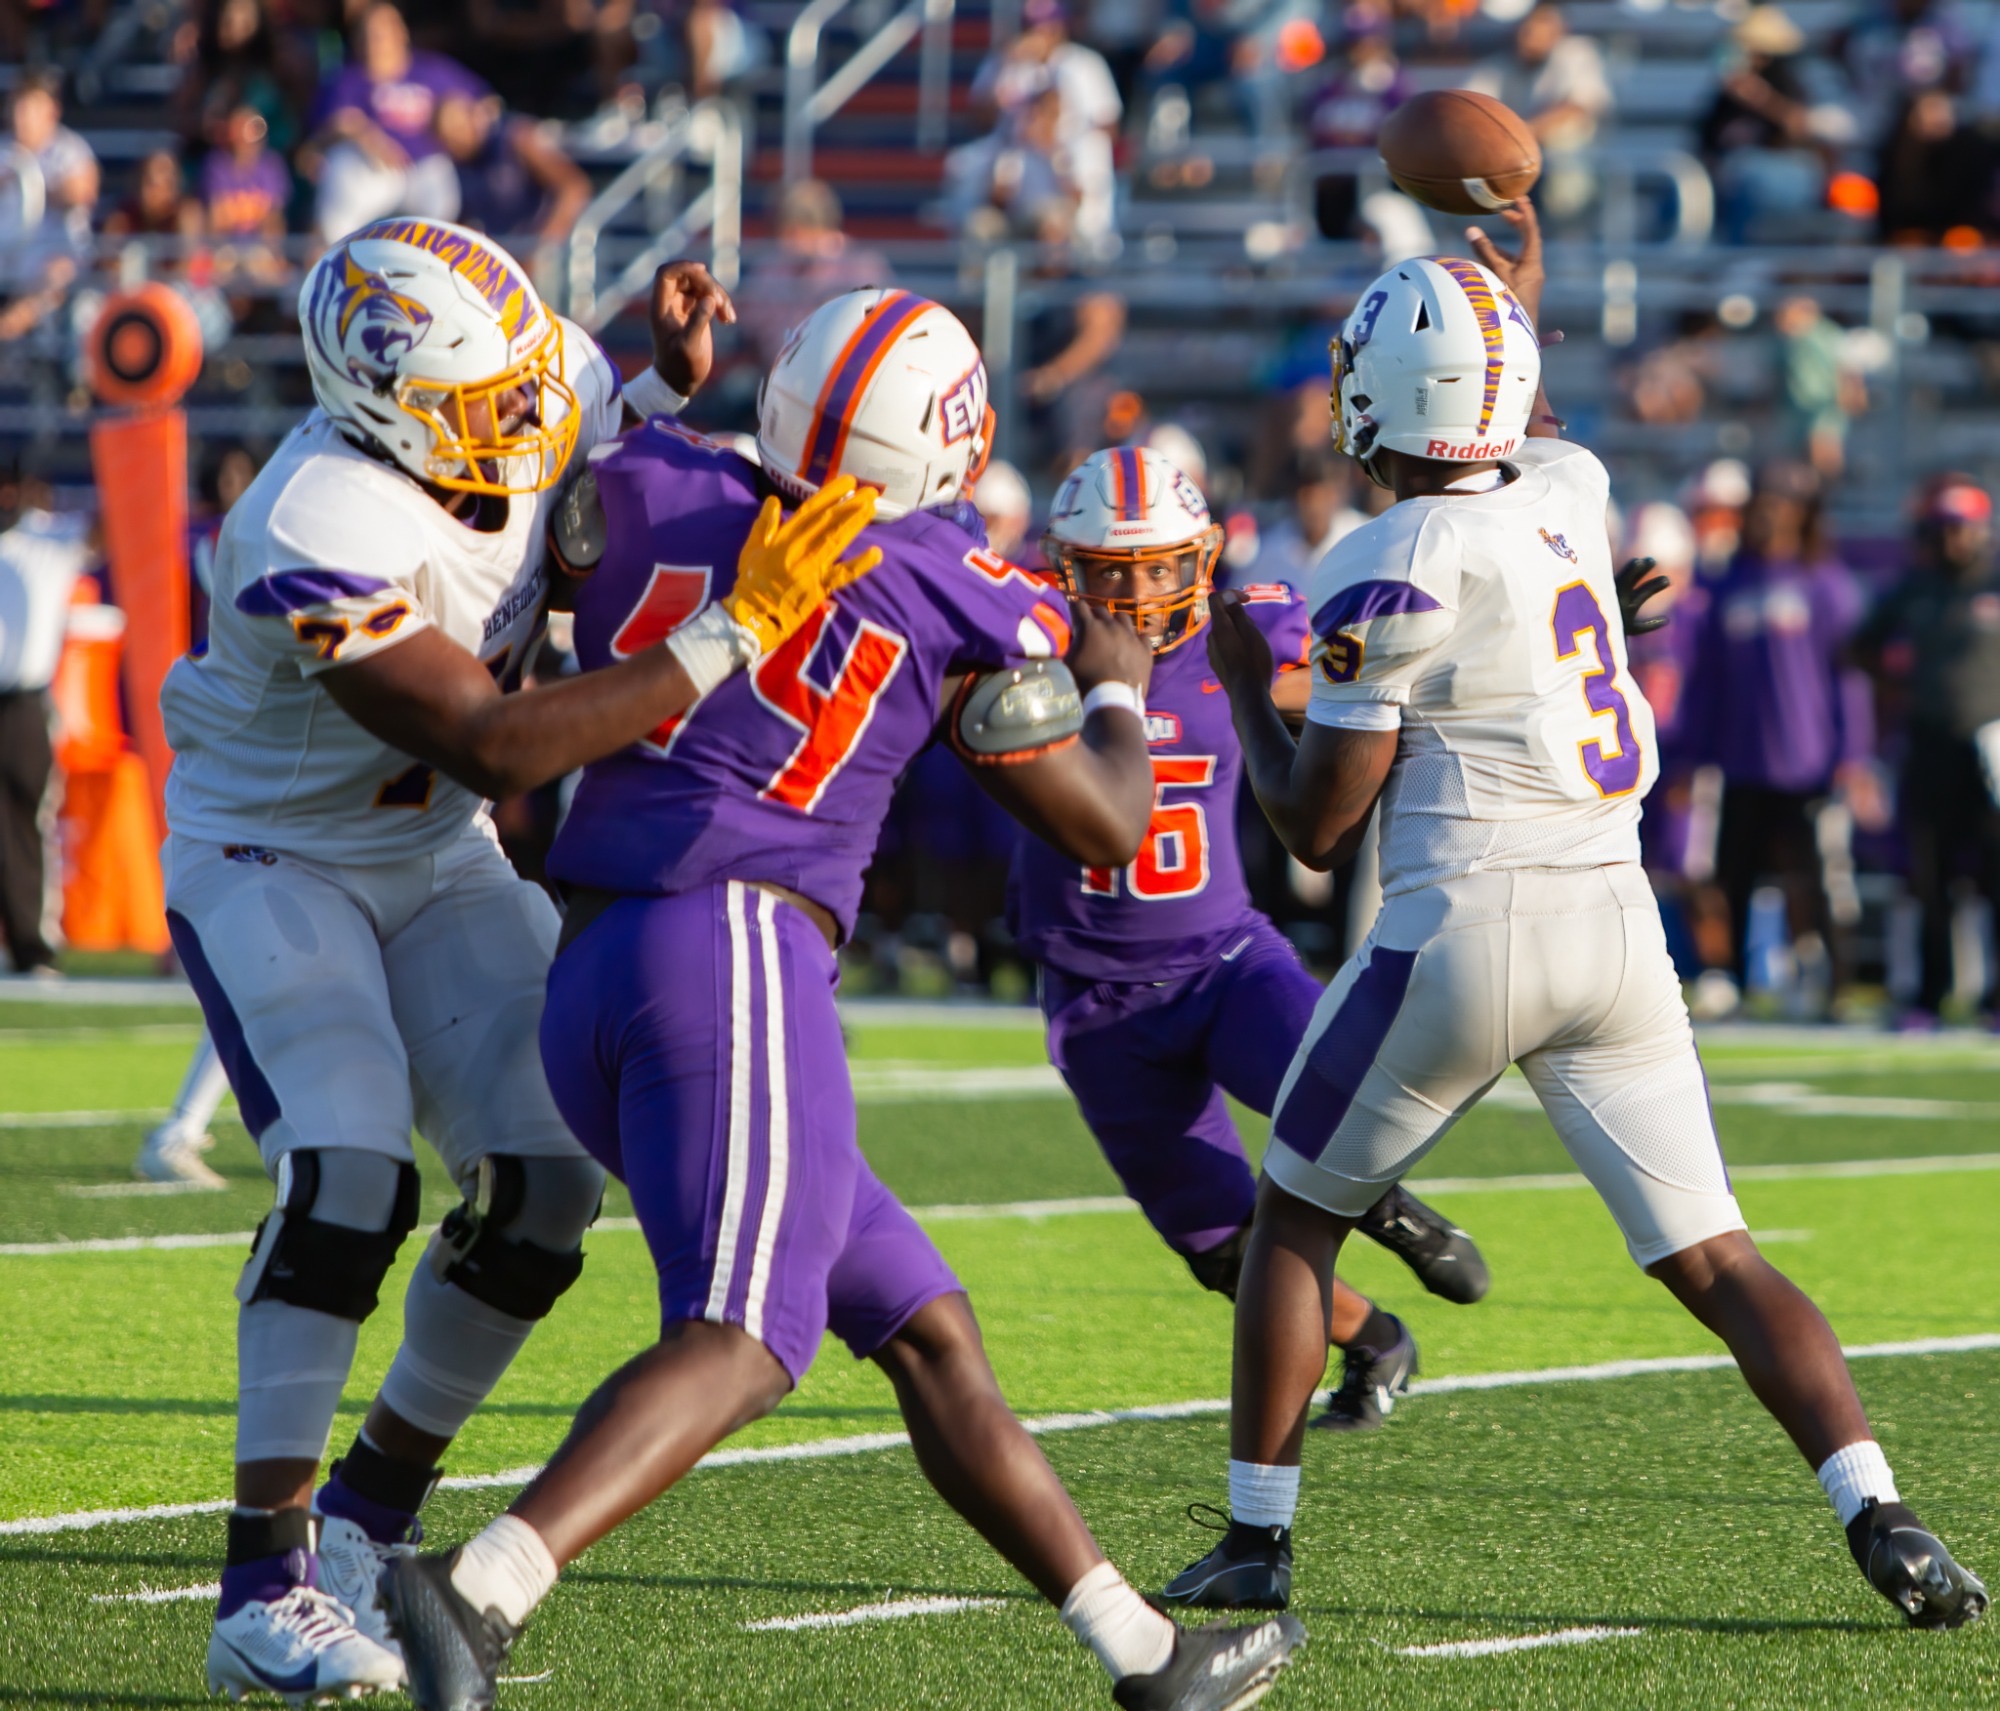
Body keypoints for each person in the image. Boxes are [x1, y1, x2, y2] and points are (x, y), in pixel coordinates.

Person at [379, 287, 1307, 1711]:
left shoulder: (647, 480)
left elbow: (566, 527)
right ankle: (483, 1580)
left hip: (603, 960)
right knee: (747, 1334)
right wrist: (1117, 685)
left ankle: (1141, 1646)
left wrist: (646, 396)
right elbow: (1109, 825)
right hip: (734, 946)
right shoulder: (951, 583)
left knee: (926, 1323)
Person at [1167, 204, 1988, 1634]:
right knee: (1718, 1253)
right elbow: (1518, 426)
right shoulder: (1570, 481)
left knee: (1294, 1217)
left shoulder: (1385, 549)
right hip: (1619, 926)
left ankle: (1257, 1539)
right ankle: (1885, 1511)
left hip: (1465, 931)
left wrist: (1246, 675)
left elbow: (1313, 820)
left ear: (1377, 395)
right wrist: (1513, 266)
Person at [161, 221, 881, 1702]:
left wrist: (672, 390)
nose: (524, 416)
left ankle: (365, 1517)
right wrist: (741, 627)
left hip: (428, 855)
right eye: (480, 401)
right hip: (273, 853)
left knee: (552, 1182)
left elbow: (593, 485)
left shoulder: (536, 379)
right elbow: (493, 739)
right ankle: (259, 1581)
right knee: (349, 1174)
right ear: (379, 404)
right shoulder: (317, 517)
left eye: (523, 381)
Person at [1014, 445, 1490, 1453]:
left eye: (1153, 568)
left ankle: (1394, 1215)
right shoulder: (1015, 643)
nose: (1132, 593)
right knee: (1217, 1245)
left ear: (1201, 560)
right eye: (1105, 568)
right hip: (1093, 1000)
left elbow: (1386, 665)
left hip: (1222, 959)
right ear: (1062, 567)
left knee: (1325, 1107)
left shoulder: (1247, 632)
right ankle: (1376, 1338)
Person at [1682, 461, 1880, 1007]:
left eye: (1781, 506)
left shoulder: (1826, 584)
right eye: (1761, 506)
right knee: (1733, 875)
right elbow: (1706, 680)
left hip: (1809, 761)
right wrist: (1694, 753)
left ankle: (1826, 979)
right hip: (1740, 761)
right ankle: (1730, 979)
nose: (1769, 516)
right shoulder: (1728, 584)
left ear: (1802, 515)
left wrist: (1853, 754)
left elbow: (1849, 678)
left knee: (1814, 878)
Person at [1856, 477, 2000, 1024]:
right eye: (1943, 530)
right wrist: (1897, 687)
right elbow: (1862, 645)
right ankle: (1930, 992)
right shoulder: (1915, 588)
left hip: (1991, 752)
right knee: (1931, 876)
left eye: (1961, 529)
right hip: (1930, 744)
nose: (1953, 542)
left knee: (1995, 875)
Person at [0, 467, 91, 977]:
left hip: (22, 702)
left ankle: (31, 945)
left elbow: (107, 529)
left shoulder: (48, 539)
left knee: (27, 821)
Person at [309, 3, 487, 241]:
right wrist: (362, 133)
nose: (376, 40)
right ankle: (331, 257)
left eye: (383, 31)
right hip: (372, 169)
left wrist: (458, 125)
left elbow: (486, 103)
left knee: (440, 197)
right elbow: (322, 132)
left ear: (401, 32)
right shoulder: (347, 79)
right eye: (368, 33)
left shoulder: (433, 70)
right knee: (342, 168)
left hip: (427, 164)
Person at [1464, 4, 1610, 227]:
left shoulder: (1577, 54)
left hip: (1571, 175)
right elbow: (1466, 112)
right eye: (1525, 25)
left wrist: (1520, 136)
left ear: (1558, 27)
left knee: (1567, 138)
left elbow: (1576, 108)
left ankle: (1561, 217)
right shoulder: (1497, 67)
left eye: (1538, 24)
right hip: (1512, 169)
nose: (1528, 33)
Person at [734, 179, 893, 368]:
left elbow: (879, 337)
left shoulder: (861, 267)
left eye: (794, 231)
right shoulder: (769, 267)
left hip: (845, 377)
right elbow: (751, 333)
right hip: (775, 377)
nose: (785, 241)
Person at [434, 93, 592, 261]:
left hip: (546, 256)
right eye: (447, 138)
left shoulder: (517, 138)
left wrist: (543, 249)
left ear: (473, 118)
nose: (455, 141)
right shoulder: (458, 165)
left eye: (458, 130)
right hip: (503, 258)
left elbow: (574, 187)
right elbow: (463, 218)